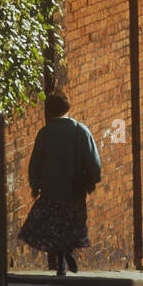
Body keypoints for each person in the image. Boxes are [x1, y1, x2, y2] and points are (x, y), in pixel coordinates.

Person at [20, 91, 101, 276]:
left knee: (52, 227)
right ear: (67, 108)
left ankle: (61, 260)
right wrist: (92, 181)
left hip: (51, 192)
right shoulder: (81, 131)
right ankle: (66, 255)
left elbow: (35, 164)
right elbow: (94, 163)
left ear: (48, 111)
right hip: (74, 192)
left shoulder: (44, 133)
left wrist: (35, 186)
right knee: (71, 227)